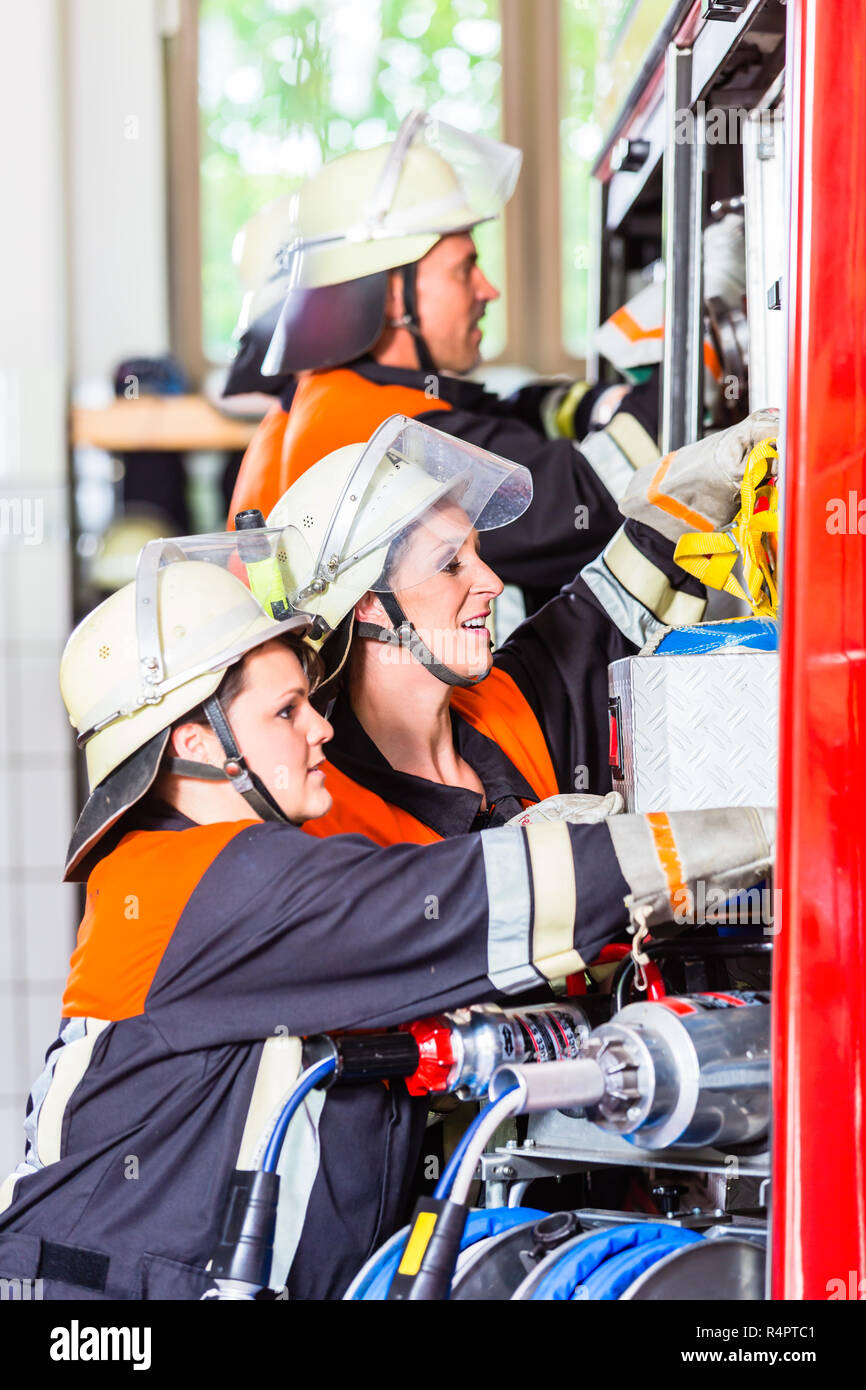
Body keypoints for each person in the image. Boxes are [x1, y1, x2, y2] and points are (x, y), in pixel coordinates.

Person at [0, 530, 775, 1301]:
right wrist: (762, 831)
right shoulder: (208, 883)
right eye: (287, 711)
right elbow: (471, 907)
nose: (321, 729)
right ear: (199, 742)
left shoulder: (198, 871)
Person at [263, 409, 778, 846]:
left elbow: (608, 608)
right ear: (370, 605)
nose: (493, 582)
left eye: (478, 556)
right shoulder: (325, 818)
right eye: (449, 564)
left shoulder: (507, 705)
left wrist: (696, 489)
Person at [225, 110, 662, 617]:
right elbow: (590, 499)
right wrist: (703, 358)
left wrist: (597, 403)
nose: (488, 289)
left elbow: (497, 417)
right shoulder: (392, 443)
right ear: (392, 295)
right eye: (464, 268)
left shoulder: (331, 400)